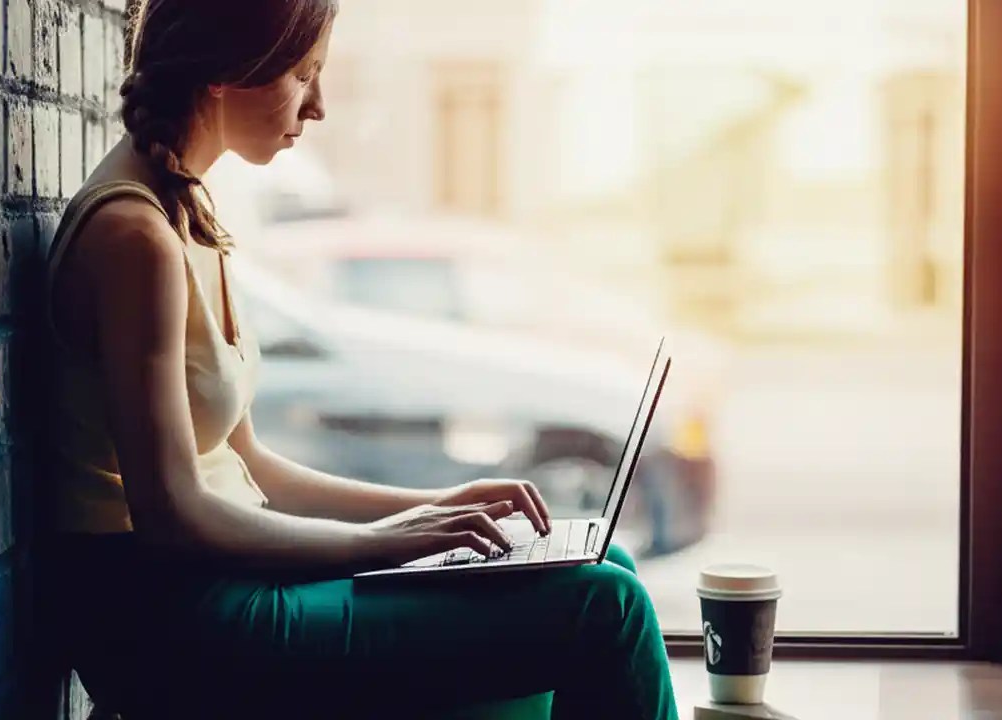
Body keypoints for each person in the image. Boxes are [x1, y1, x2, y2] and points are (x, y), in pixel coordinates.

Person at [40, 0, 680, 717]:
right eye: (302, 75)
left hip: (224, 580)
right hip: (169, 619)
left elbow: (249, 464)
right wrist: (381, 543)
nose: (317, 106)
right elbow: (172, 516)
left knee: (603, 564)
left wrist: (435, 510)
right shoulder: (134, 238)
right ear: (225, 71)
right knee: (607, 606)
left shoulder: (185, 209)